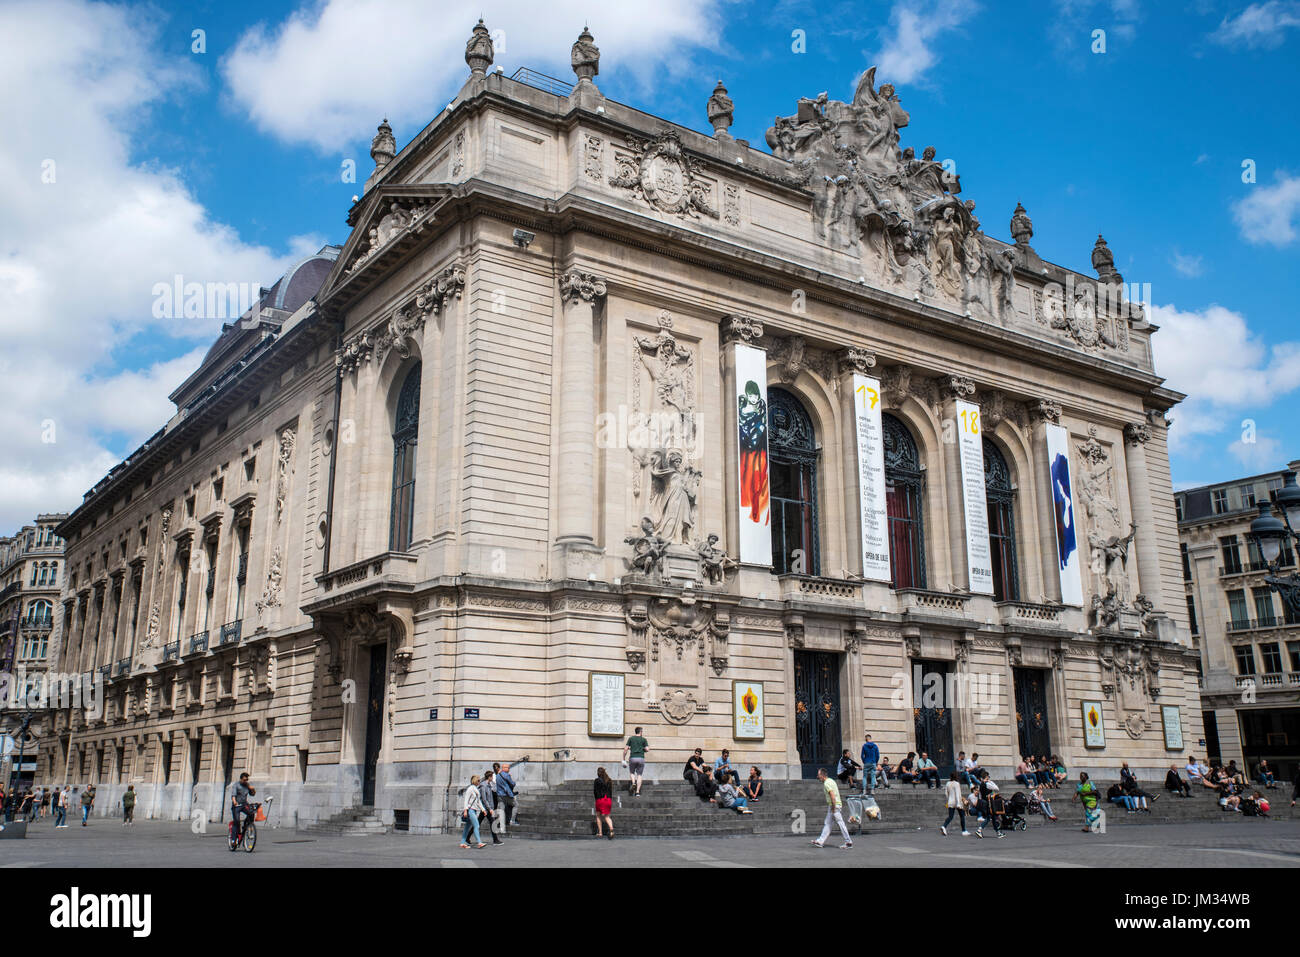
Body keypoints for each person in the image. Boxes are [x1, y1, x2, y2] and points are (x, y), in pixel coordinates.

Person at [812, 768, 852, 849]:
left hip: (834, 805)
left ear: (822, 775)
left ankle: (848, 841)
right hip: (834, 805)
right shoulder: (831, 780)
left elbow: (832, 796)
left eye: (819, 775)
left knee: (840, 823)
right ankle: (820, 841)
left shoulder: (827, 783)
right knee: (828, 823)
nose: (818, 777)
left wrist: (833, 807)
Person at [460, 774, 486, 849]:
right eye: (478, 780)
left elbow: (478, 801)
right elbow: (466, 800)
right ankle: (479, 842)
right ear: (474, 780)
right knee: (476, 825)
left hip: (474, 810)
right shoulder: (470, 788)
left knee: (467, 827)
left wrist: (483, 809)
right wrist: (465, 810)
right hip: (470, 810)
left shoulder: (475, 789)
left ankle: (462, 843)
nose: (479, 782)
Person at [940, 771, 968, 836]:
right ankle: (964, 831)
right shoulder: (957, 784)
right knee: (962, 816)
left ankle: (944, 826)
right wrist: (958, 803)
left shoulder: (947, 783)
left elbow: (946, 793)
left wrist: (949, 799)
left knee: (950, 816)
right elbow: (958, 794)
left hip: (950, 802)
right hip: (957, 802)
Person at [230, 772, 256, 842]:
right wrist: (234, 802)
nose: (245, 781)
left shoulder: (247, 785)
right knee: (237, 821)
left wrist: (252, 789)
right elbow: (233, 795)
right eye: (244, 780)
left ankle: (247, 827)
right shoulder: (236, 785)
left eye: (246, 780)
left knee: (251, 813)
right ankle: (233, 839)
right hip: (237, 805)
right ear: (241, 779)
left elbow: (253, 794)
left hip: (244, 804)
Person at [623, 727, 648, 796]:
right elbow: (647, 749)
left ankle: (634, 782)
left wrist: (623, 758)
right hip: (641, 758)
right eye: (642, 732)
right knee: (639, 775)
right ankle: (637, 792)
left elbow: (625, 749)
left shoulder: (631, 739)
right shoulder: (644, 739)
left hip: (633, 758)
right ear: (640, 732)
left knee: (632, 772)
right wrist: (642, 749)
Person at [478, 770, 502, 845]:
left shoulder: (489, 785)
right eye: (492, 776)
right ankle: (495, 840)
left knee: (478, 823)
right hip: (486, 809)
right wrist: (490, 809)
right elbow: (484, 799)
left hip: (487, 808)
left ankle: (467, 837)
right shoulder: (483, 786)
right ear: (489, 777)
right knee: (492, 823)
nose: (493, 778)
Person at [495, 762, 518, 830]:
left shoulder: (498, 775)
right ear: (504, 768)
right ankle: (512, 821)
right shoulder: (507, 775)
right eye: (508, 768)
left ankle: (501, 823)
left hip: (499, 795)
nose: (509, 769)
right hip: (506, 795)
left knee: (502, 809)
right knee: (516, 805)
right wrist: (513, 782)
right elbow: (512, 783)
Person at [593, 767, 615, 838]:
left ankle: (600, 832)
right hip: (608, 799)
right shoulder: (609, 780)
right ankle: (611, 829)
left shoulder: (597, 781)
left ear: (598, 773)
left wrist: (596, 799)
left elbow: (595, 791)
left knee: (598, 815)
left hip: (600, 799)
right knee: (607, 816)